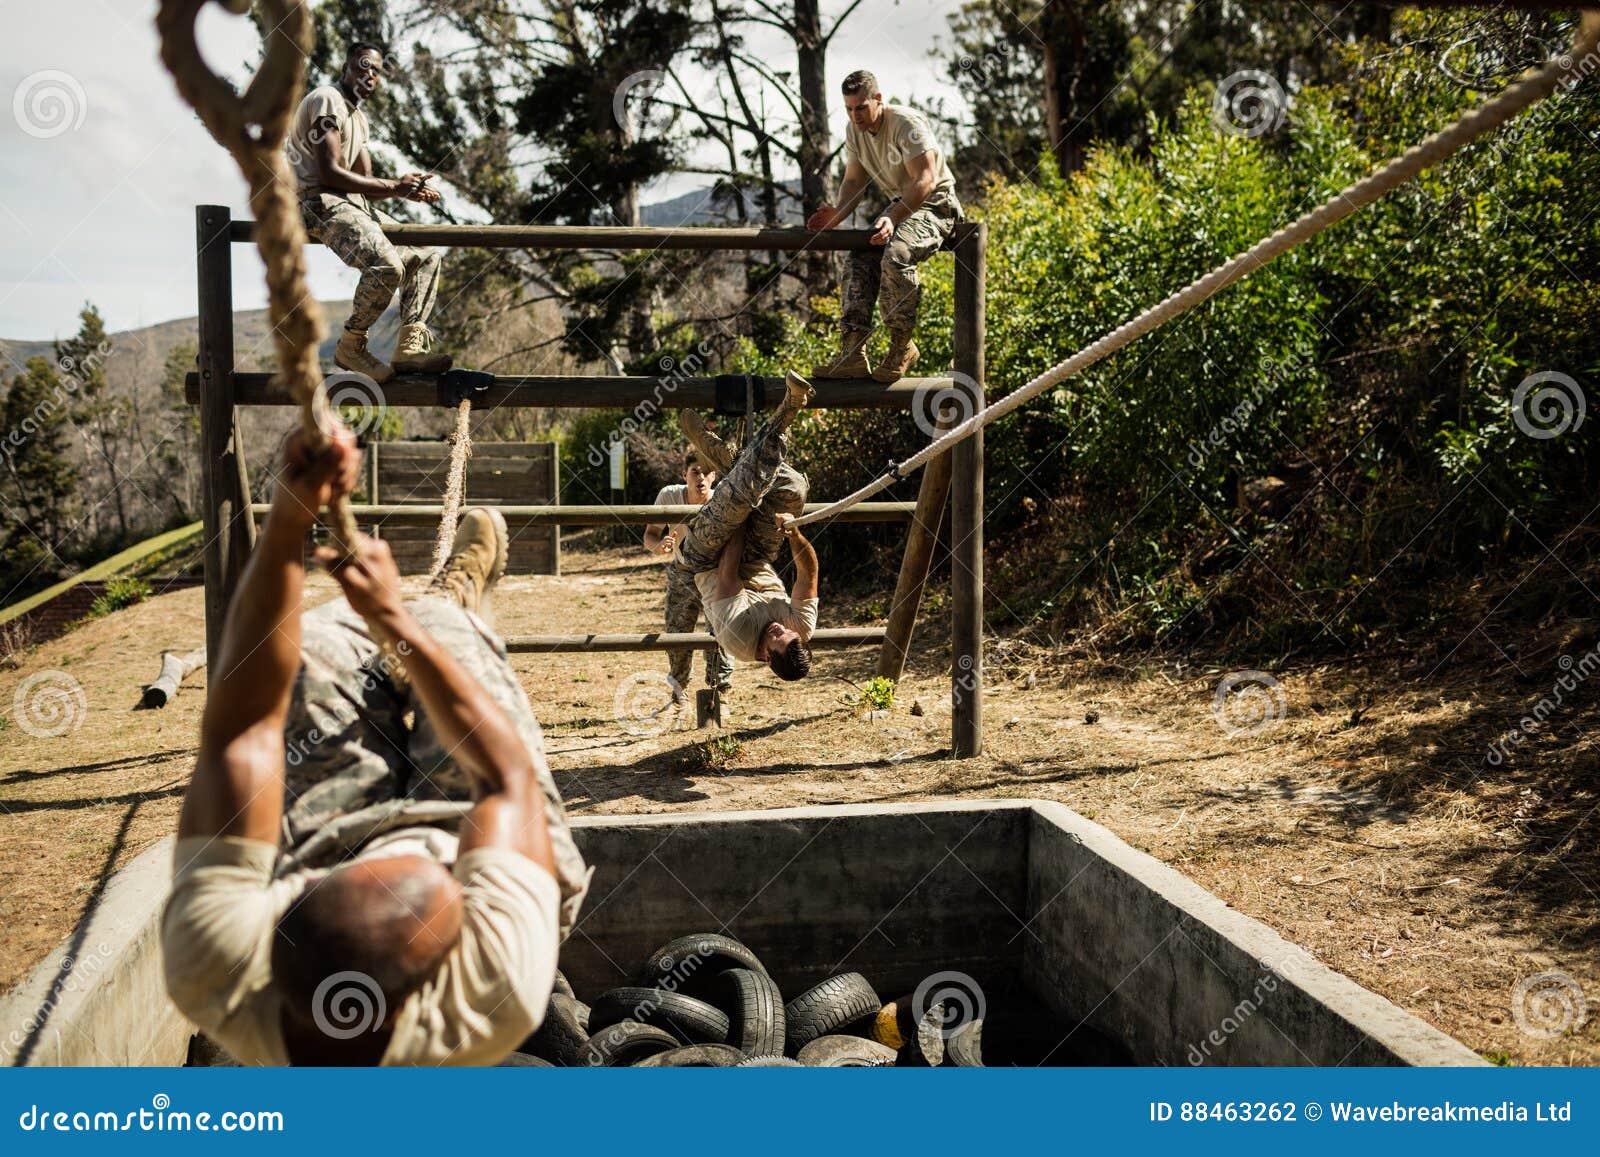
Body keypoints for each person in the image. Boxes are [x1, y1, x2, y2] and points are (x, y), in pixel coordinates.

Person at [162, 421, 590, 1066]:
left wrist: (289, 517)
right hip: (474, 830)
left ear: (290, 907)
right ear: (430, 978)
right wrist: (394, 619)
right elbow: (506, 779)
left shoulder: (216, 958)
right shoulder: (492, 984)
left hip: (328, 836)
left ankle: (417, 619)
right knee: (443, 630)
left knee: (321, 641)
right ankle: (455, 596)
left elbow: (243, 727)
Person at [287, 41, 453, 384]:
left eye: (376, 71)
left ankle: (408, 348)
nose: (370, 75)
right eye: (363, 67)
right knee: (387, 266)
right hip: (317, 202)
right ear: (346, 68)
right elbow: (329, 172)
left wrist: (406, 188)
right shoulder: (326, 99)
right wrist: (394, 187)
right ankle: (350, 344)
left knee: (425, 255)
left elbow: (365, 179)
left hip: (352, 204)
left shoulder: (358, 119)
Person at [806, 69, 963, 383]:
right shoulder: (854, 132)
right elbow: (853, 182)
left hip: (936, 205)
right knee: (859, 256)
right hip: (899, 207)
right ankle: (852, 351)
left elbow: (925, 180)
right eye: (849, 109)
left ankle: (901, 345)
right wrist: (837, 215)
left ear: (878, 99)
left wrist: (892, 217)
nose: (855, 115)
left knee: (896, 254)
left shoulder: (907, 124)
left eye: (861, 107)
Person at [670, 373, 819, 679]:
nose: (780, 630)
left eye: (776, 640)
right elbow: (809, 574)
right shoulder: (801, 628)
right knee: (793, 489)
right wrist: (794, 534)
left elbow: (727, 569)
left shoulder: (739, 637)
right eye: (788, 635)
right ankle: (727, 461)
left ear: (766, 657)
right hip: (757, 557)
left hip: (708, 559)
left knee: (740, 497)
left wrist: (740, 510)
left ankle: (790, 407)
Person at [644, 449, 734, 701]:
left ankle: (720, 690)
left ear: (714, 476)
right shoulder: (669, 496)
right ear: (684, 474)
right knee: (677, 630)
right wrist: (659, 545)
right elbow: (650, 534)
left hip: (715, 571)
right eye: (695, 471)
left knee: (722, 628)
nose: (701, 477)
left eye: (706, 472)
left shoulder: (722, 500)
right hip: (682, 569)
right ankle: (678, 686)